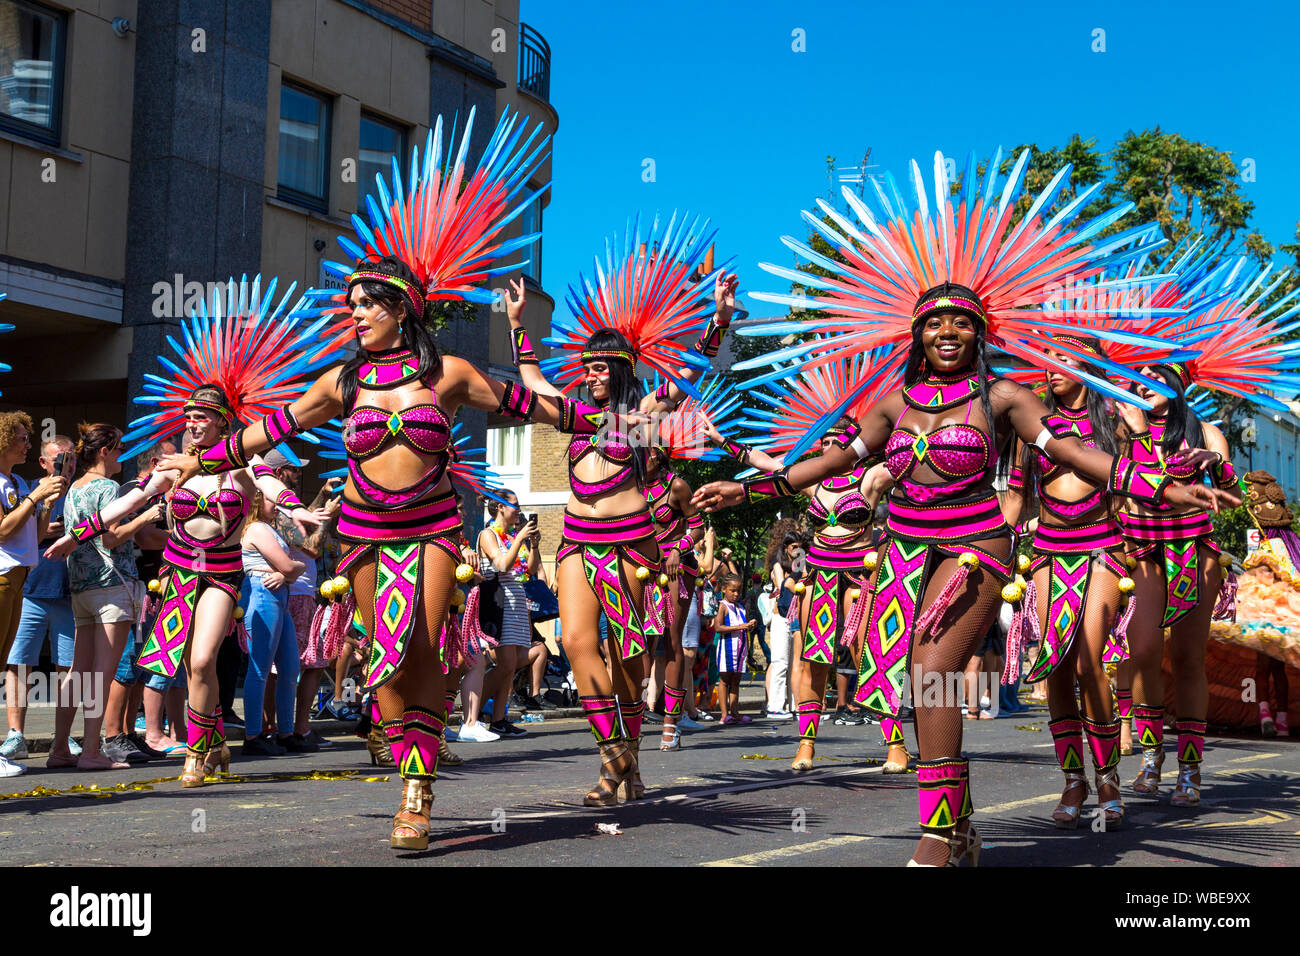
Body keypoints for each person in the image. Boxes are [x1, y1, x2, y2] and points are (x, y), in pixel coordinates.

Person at [693, 150, 1229, 866]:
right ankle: (963, 825)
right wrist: (751, 488)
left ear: (980, 332)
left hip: (979, 547)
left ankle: (940, 833)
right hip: (905, 551)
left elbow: (1073, 455)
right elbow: (836, 460)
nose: (948, 332)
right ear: (915, 334)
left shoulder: (1003, 398)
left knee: (936, 666)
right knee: (918, 683)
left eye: (961, 323)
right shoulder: (893, 404)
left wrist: (1157, 485)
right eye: (934, 323)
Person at [504, 220, 736, 805]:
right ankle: (614, 753)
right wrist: (517, 327)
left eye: (603, 367)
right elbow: (531, 379)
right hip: (577, 539)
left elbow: (692, 377)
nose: (591, 373)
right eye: (588, 366)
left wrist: (720, 320)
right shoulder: (572, 413)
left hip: (634, 543)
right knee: (579, 642)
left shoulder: (645, 414)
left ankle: (624, 769)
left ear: (624, 371)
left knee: (629, 658)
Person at [49, 424, 159, 770]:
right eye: (118, 449)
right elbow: (112, 538)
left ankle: (60, 748)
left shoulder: (75, 489)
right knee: (101, 672)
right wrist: (147, 514)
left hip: (81, 585)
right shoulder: (109, 487)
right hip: (112, 584)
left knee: (78, 673)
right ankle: (92, 751)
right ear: (104, 452)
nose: (121, 456)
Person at [0, 413, 68, 776]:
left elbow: (35, 533)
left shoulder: (15, 481)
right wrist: (35, 497)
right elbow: (2, 531)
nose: (27, 444)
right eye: (22, 439)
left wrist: (43, 503)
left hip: (18, 577)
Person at [240, 490, 308, 756]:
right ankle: (253, 735)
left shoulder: (270, 528)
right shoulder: (257, 528)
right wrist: (287, 572)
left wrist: (287, 573)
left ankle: (286, 732)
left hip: (277, 594)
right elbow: (292, 567)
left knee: (290, 667)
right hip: (262, 592)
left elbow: (296, 563)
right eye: (272, 500)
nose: (278, 506)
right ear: (258, 500)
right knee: (260, 667)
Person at [476, 490, 538, 739]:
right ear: (500, 508)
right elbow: (501, 565)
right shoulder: (488, 535)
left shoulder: (512, 536)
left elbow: (530, 569)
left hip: (516, 605)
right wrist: (520, 537)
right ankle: (476, 711)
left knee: (510, 666)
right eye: (515, 505)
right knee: (505, 664)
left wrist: (532, 544)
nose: (519, 510)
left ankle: (499, 719)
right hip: (499, 604)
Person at [713, 573, 752, 724]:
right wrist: (740, 626)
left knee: (736, 681)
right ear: (724, 589)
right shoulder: (723, 606)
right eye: (732, 591)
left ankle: (735, 712)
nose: (736, 594)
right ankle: (724, 714)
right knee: (724, 680)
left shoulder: (741, 607)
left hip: (740, 649)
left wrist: (749, 625)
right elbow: (718, 627)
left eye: (738, 591)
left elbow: (742, 624)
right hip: (726, 649)